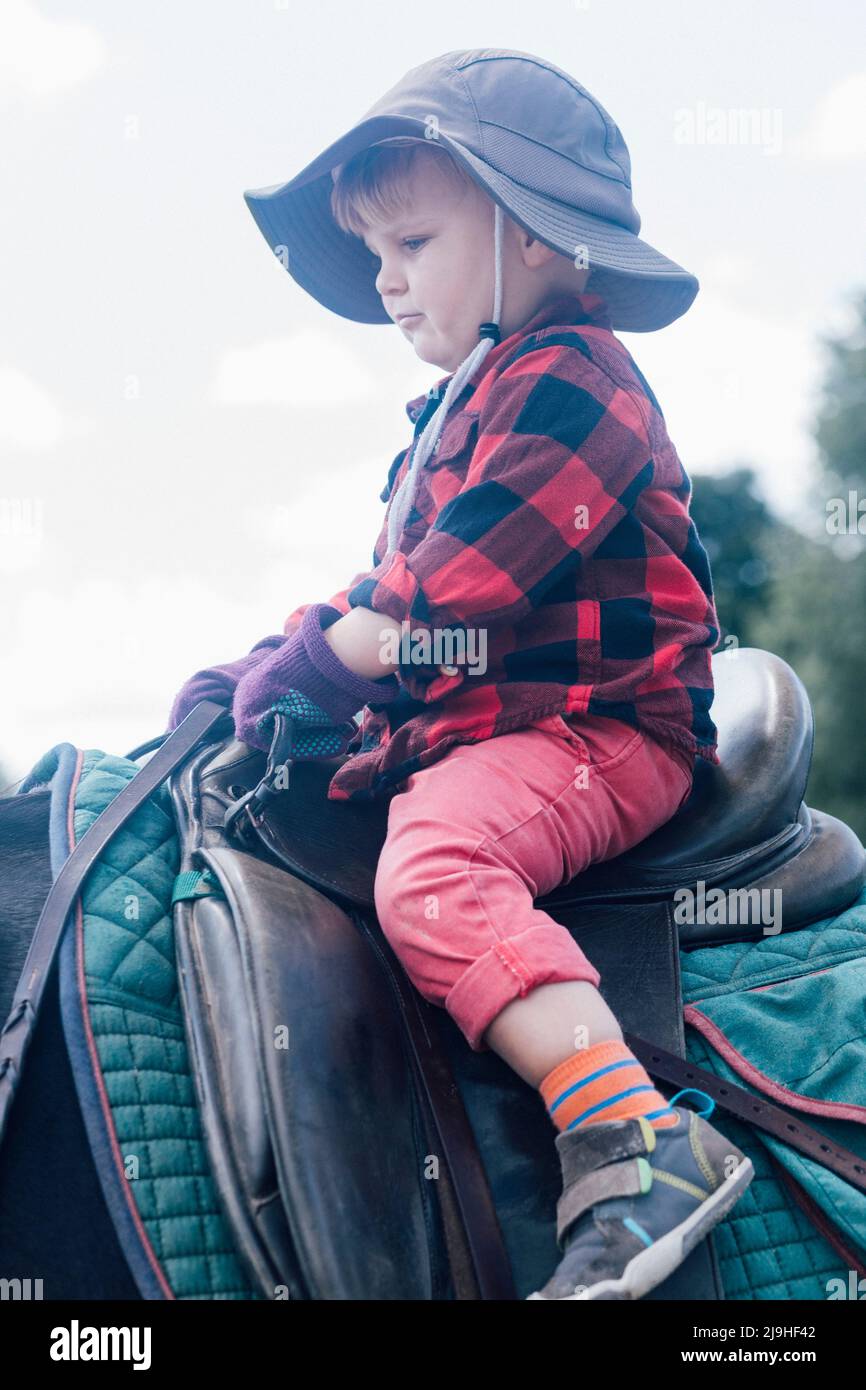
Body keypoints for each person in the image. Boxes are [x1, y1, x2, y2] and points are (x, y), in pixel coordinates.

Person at [168, 48, 753, 1300]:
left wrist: (310, 670)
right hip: (497, 730)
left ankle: (634, 1138)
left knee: (433, 870)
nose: (384, 280)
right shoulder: (453, 411)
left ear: (532, 236)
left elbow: (445, 599)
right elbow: (379, 591)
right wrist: (258, 663)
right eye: (371, 252)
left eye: (414, 241)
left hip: (602, 726)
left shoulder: (572, 384)